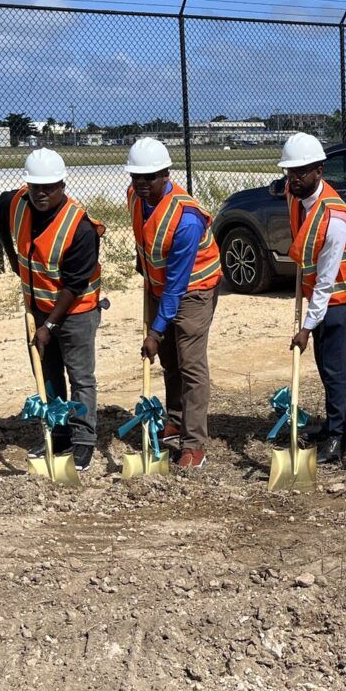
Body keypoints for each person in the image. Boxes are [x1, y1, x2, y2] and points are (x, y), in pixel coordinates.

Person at [0, 148, 103, 472]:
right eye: (35, 186)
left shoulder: (80, 228)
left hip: (76, 310)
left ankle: (83, 441)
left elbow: (74, 284)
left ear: (62, 185)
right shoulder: (16, 204)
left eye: (49, 187)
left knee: (80, 376)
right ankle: (59, 432)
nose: (41, 193)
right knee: (48, 374)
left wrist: (48, 327)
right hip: (37, 307)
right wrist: (10, 255)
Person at [126, 137, 223, 471]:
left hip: (194, 289)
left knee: (190, 363)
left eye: (148, 177)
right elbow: (146, 237)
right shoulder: (135, 197)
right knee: (169, 360)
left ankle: (194, 444)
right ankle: (176, 420)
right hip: (158, 285)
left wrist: (155, 330)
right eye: (135, 177)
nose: (140, 184)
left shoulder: (187, 219)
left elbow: (178, 285)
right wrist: (143, 263)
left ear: (165, 175)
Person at [280, 132, 346, 463]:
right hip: (319, 288)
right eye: (290, 172)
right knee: (323, 360)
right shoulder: (293, 193)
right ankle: (339, 419)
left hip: (339, 293)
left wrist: (305, 326)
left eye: (301, 172)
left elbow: (327, 282)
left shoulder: (335, 220)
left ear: (319, 171)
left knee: (332, 364)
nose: (294, 179)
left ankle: (338, 435)